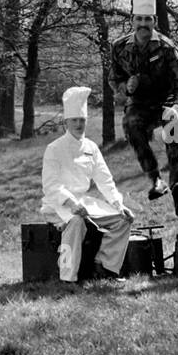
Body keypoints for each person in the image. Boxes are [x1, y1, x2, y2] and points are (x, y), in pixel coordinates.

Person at [110, 0, 178, 216]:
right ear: (132, 21)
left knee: (174, 127)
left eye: (148, 20)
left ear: (154, 21)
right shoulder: (119, 47)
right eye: (139, 19)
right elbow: (113, 80)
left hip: (166, 102)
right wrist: (126, 87)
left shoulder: (167, 48)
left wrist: (177, 107)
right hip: (139, 105)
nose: (143, 24)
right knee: (130, 123)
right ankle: (156, 180)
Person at [41, 86, 134, 284]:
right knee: (75, 222)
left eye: (81, 120)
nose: (78, 124)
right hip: (58, 205)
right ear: (66, 122)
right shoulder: (54, 148)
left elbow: (105, 179)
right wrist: (72, 203)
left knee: (123, 220)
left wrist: (119, 204)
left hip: (84, 202)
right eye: (74, 120)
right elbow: (51, 185)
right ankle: (68, 277)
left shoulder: (91, 148)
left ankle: (105, 267)